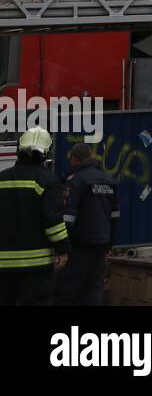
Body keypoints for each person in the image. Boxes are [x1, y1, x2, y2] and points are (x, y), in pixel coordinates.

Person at [0, 126, 69, 305]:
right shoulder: (47, 181)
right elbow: (53, 223)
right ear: (45, 153)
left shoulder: (2, 179)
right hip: (36, 267)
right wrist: (62, 249)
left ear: (18, 150)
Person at [56, 142, 119, 306]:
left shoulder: (77, 181)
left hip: (79, 247)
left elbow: (68, 218)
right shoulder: (109, 180)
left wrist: (63, 247)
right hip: (101, 246)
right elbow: (115, 217)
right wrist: (109, 245)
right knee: (94, 293)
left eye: (71, 160)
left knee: (67, 292)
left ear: (76, 160)